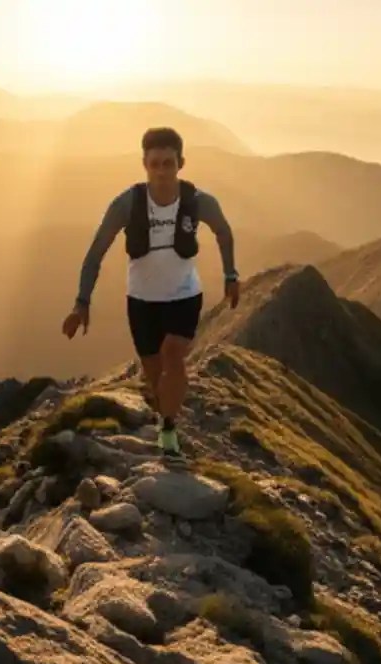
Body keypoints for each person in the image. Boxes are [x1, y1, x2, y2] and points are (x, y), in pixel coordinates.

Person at [61, 126, 239, 458]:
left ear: (181, 163)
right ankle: (164, 417)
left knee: (174, 357)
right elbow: (96, 250)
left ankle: (169, 433)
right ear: (144, 163)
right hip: (141, 301)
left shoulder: (197, 201)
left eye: (167, 163)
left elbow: (224, 232)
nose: (161, 171)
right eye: (154, 164)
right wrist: (81, 302)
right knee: (154, 375)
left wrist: (231, 274)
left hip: (184, 296)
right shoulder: (127, 204)